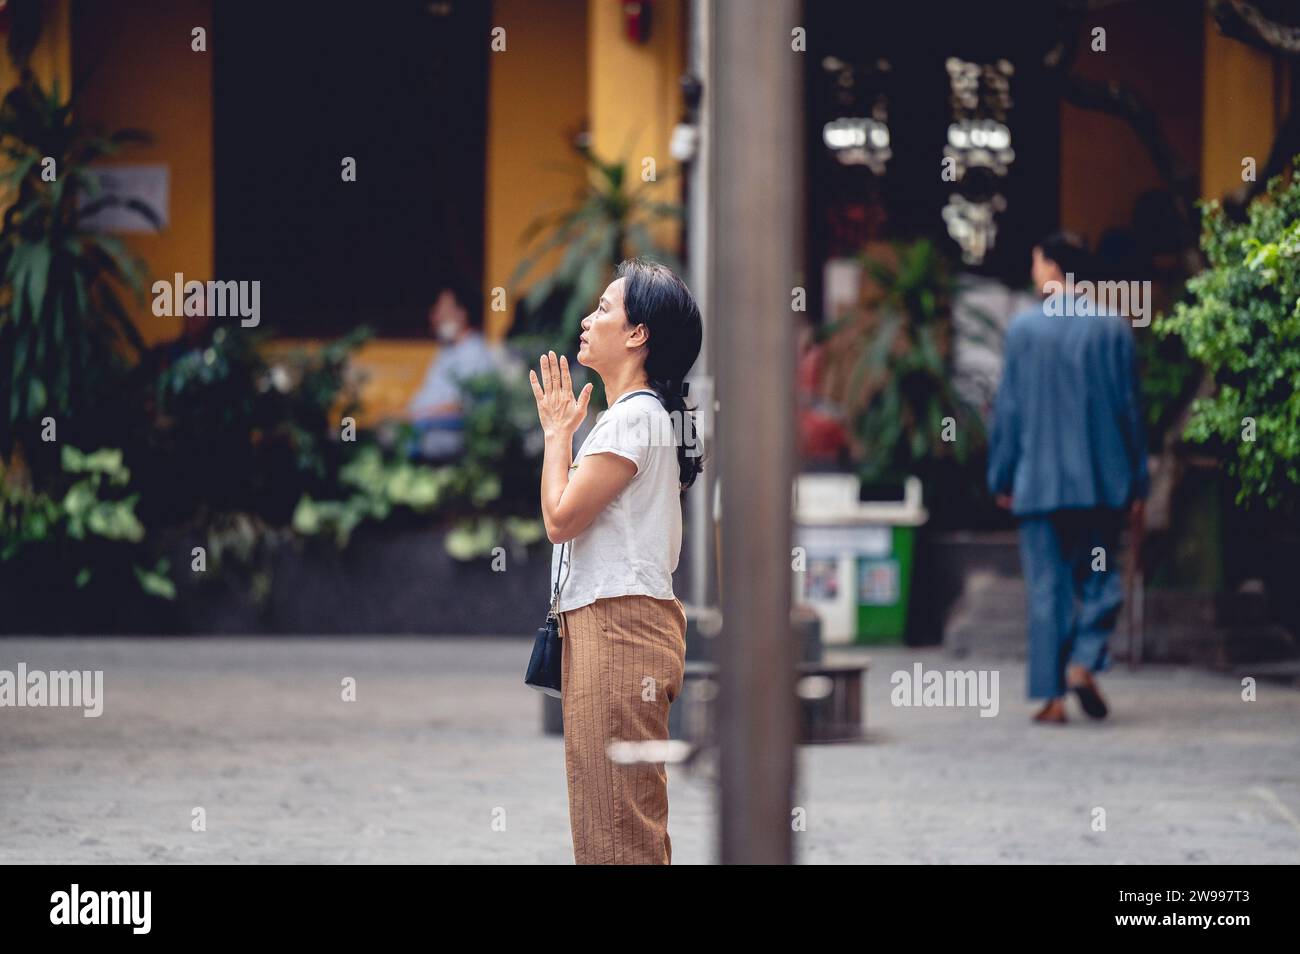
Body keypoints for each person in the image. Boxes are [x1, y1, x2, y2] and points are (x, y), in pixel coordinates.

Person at [527, 258, 703, 864]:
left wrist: (556, 437)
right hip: (619, 627)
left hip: (619, 630)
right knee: (620, 820)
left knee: (614, 830)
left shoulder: (633, 418)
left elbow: (560, 519)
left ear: (638, 334)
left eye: (604, 308)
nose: (587, 318)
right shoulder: (639, 417)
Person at [987, 231, 1149, 725]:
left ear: (1052, 266)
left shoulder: (1023, 331)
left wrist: (1002, 476)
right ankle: (1083, 660)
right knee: (1101, 579)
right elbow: (1129, 412)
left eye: (1037, 260)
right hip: (1101, 485)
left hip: (1039, 485)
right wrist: (1138, 481)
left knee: (1047, 589)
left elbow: (1008, 411)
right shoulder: (1113, 329)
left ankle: (1052, 698)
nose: (1033, 270)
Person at [403, 281, 497, 460]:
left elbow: (461, 406)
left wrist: (412, 416)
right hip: (421, 430)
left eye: (441, 311)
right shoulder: (445, 353)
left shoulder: (475, 353)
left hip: (446, 435)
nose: (435, 318)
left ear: (462, 314)